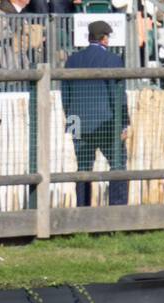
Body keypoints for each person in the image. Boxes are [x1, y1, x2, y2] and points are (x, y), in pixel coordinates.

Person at [61, 20, 129, 207]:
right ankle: (118, 211)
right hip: (107, 122)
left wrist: (72, 119)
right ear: (105, 38)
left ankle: (83, 211)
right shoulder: (113, 60)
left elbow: (65, 96)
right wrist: (124, 123)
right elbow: (118, 96)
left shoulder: (72, 60)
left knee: (83, 168)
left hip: (78, 122)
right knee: (118, 165)